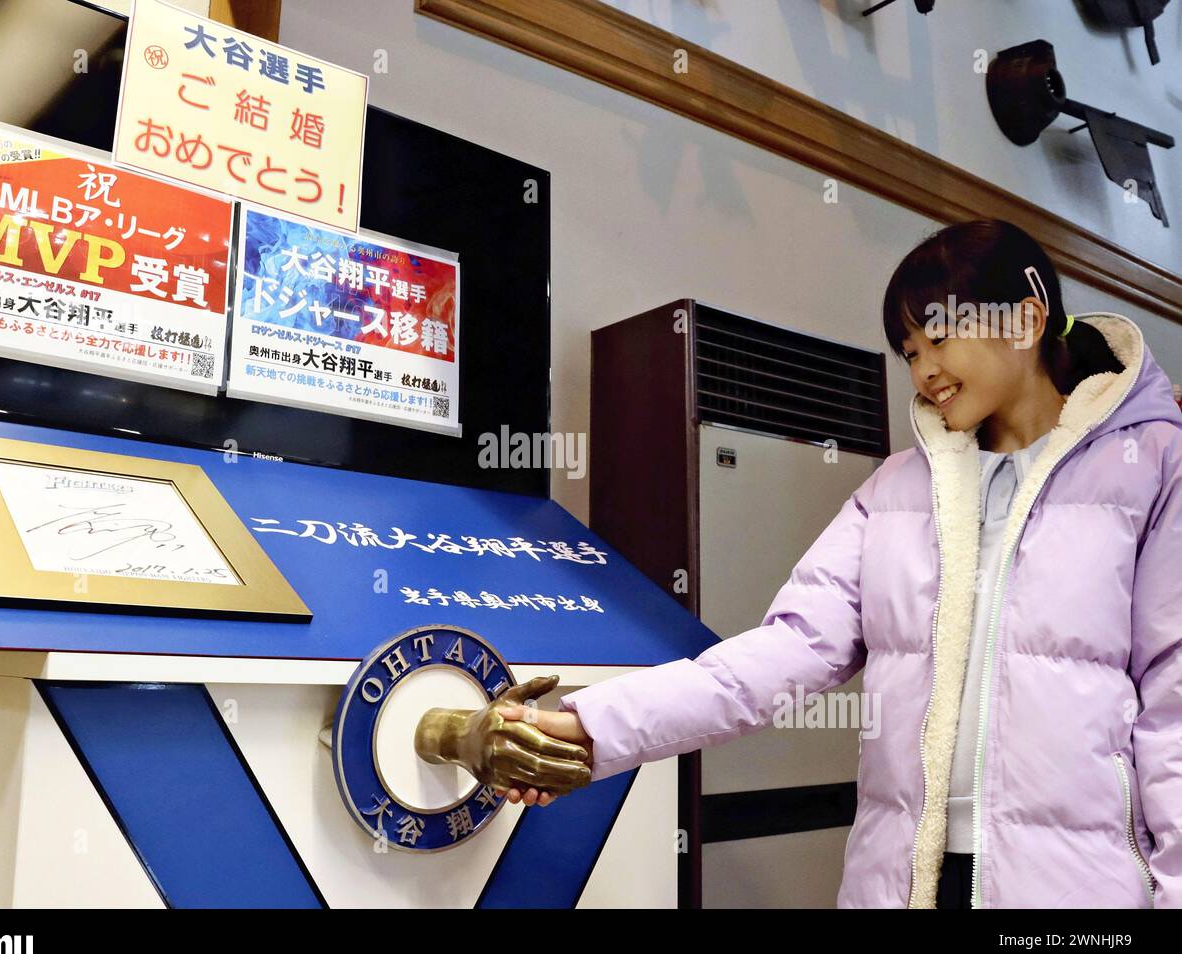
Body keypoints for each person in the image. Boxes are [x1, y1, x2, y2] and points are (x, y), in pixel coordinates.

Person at [496, 219, 1182, 908]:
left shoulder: (1152, 467)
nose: (924, 372)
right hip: (907, 883)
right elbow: (780, 656)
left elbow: (1173, 709)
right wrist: (590, 729)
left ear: (1027, 321)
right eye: (909, 352)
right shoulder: (894, 491)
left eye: (939, 339)